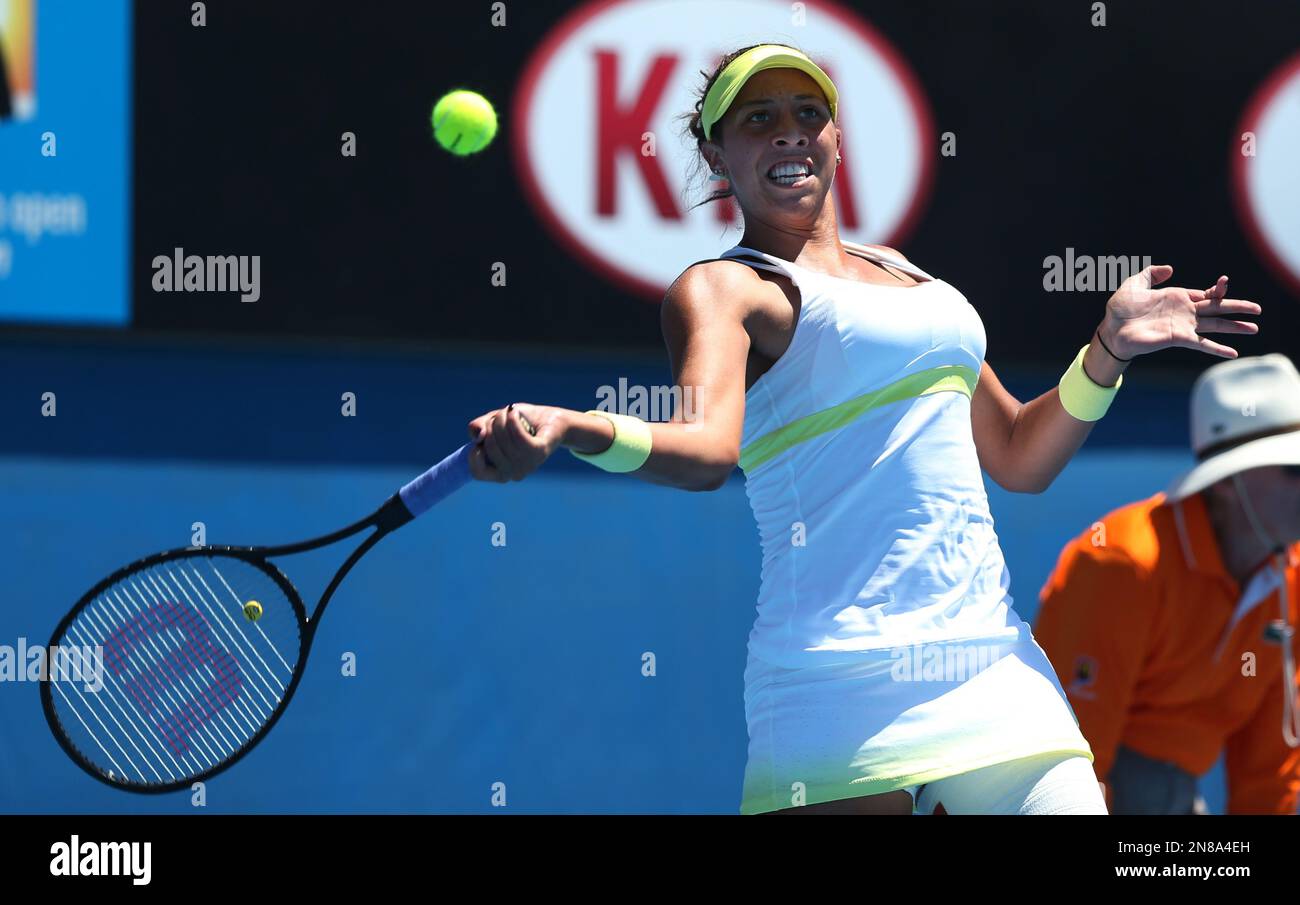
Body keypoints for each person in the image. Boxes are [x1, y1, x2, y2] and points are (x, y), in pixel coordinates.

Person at [465, 43, 1262, 814]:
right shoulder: (724, 288)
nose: (788, 130)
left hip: (993, 670)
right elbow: (707, 451)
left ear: (837, 140)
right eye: (756, 119)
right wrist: (577, 427)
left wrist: (1106, 352)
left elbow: (1019, 455)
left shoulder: (911, 278)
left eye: (808, 112)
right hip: (831, 688)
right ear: (716, 157)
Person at [1035, 354, 1300, 814]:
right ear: (1225, 484)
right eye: (1293, 471)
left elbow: (1270, 776)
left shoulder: (1291, 578)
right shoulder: (1123, 564)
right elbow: (1070, 764)